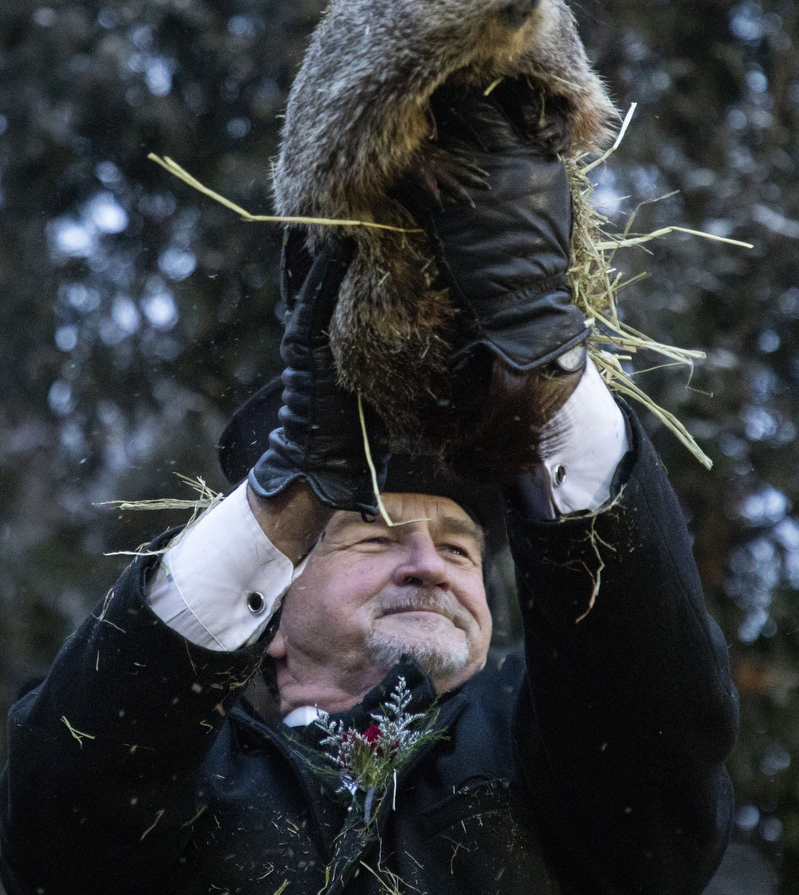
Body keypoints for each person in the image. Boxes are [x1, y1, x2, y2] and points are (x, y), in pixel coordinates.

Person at [0, 93, 738, 895]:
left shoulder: (539, 743)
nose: (429, 564)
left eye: (459, 549)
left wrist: (545, 367)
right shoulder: (194, 768)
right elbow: (61, 816)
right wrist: (286, 494)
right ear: (270, 623)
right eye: (376, 537)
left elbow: (652, 732)